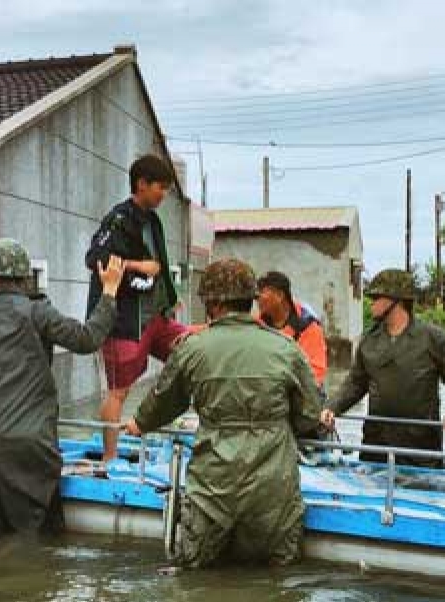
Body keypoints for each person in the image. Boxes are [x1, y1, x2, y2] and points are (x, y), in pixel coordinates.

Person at [125, 258, 324, 568]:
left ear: (213, 303)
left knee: (197, 576)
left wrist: (139, 423)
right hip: (272, 487)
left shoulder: (192, 348)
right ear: (250, 301)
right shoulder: (286, 348)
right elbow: (311, 412)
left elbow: (164, 401)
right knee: (278, 582)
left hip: (213, 487)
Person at [0, 238, 125, 539]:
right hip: (28, 456)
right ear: (23, 277)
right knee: (37, 547)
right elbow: (86, 339)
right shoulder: (37, 311)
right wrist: (108, 292)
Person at [85, 154, 189, 462]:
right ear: (142, 184)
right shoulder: (118, 219)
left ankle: (159, 417)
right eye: (161, 187)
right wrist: (137, 265)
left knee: (192, 352)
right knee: (119, 390)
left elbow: (161, 265)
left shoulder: (153, 221)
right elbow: (95, 260)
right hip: (124, 320)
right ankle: (109, 457)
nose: (164, 194)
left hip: (155, 316)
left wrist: (170, 298)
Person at [320, 269, 445, 469]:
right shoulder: (369, 340)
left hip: (420, 444)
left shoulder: (432, 338)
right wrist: (332, 408)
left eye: (376, 298)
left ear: (396, 301)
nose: (371, 303)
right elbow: (355, 384)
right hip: (377, 442)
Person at [255, 271, 328, 389]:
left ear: (279, 295)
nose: (257, 300)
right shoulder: (258, 324)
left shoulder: (308, 326)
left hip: (301, 391)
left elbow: (316, 373)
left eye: (261, 294)